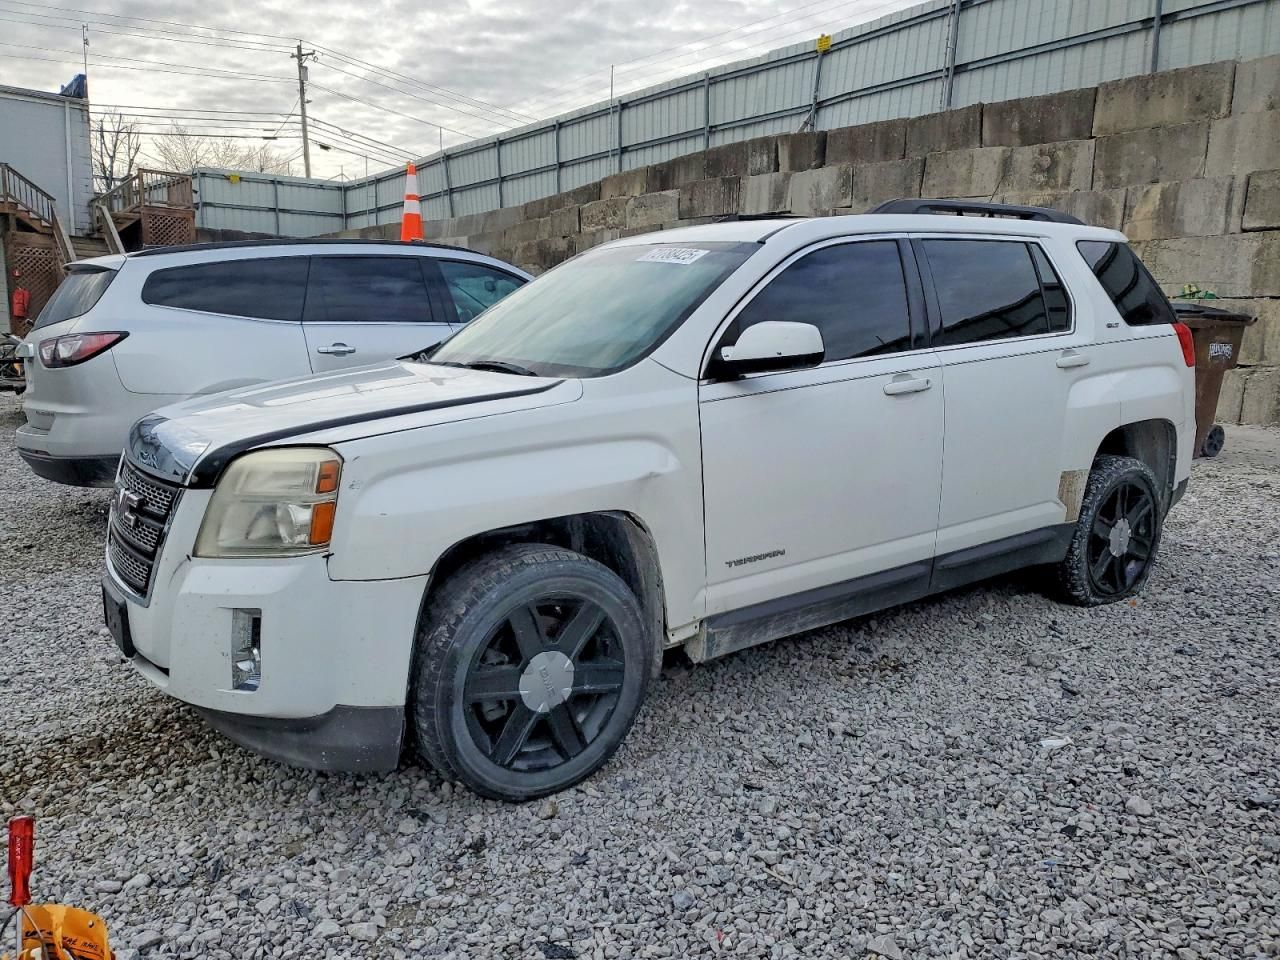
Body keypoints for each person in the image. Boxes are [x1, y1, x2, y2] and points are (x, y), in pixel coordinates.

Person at [10, 268, 31, 335]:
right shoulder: (22, 291)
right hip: (19, 308)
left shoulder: (19, 290)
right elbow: (26, 301)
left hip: (17, 308)